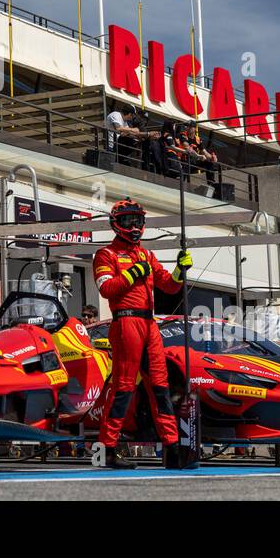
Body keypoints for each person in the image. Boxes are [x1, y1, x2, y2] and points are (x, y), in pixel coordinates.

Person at [93, 198, 192, 469]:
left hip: (150, 326)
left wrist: (180, 270)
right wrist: (134, 273)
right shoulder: (106, 254)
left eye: (137, 220)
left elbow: (170, 287)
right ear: (116, 224)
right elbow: (107, 288)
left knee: (161, 388)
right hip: (125, 322)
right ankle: (105, 450)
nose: (134, 225)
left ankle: (173, 451)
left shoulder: (147, 255)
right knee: (124, 387)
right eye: (128, 220)